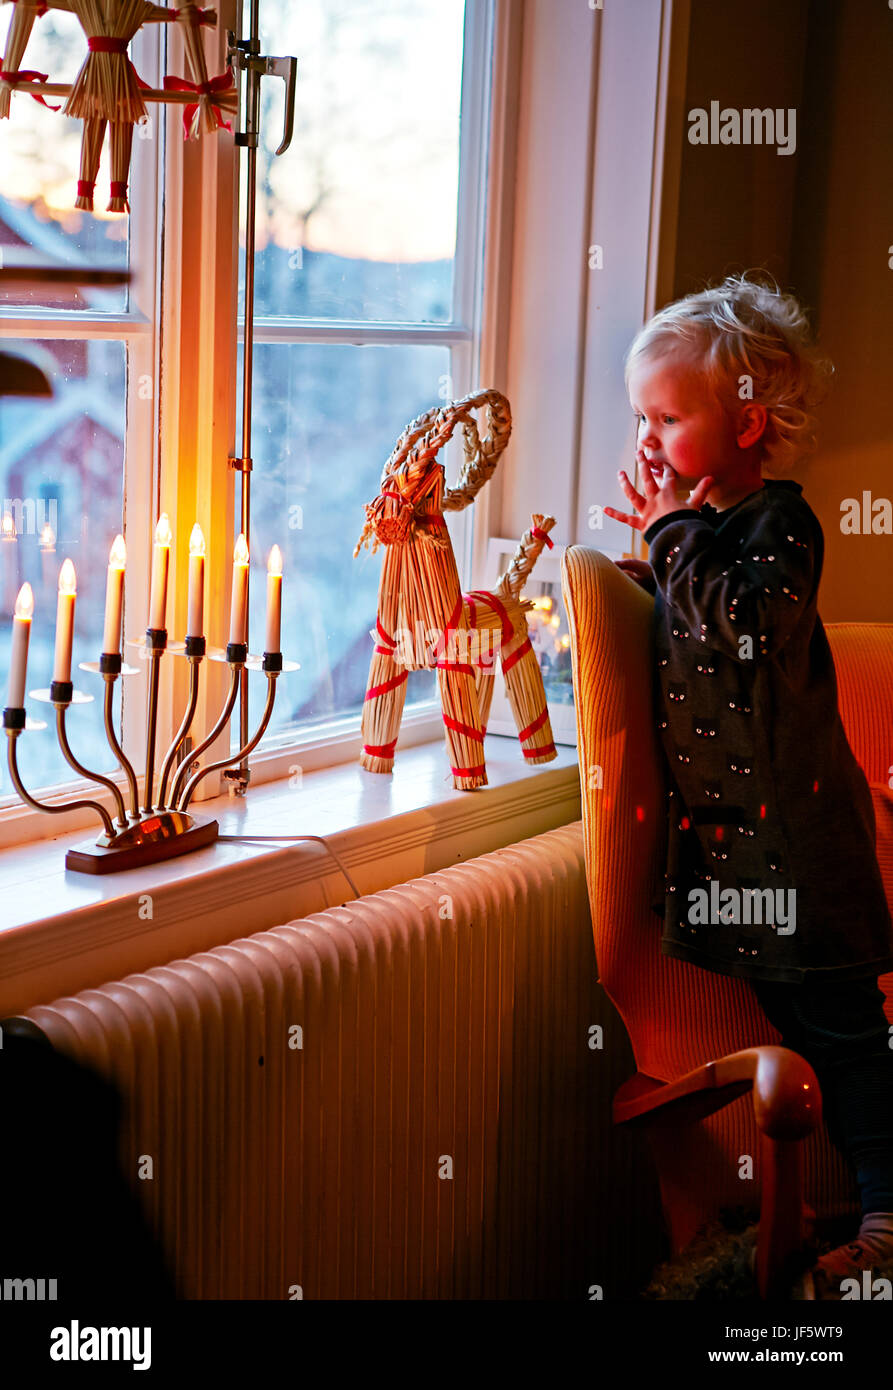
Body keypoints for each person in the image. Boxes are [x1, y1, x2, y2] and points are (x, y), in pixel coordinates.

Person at [603, 272, 893, 1294]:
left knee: (848, 1044)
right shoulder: (705, 537)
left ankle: (886, 1216)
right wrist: (657, 553)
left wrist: (666, 536)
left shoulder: (780, 529)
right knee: (808, 1029)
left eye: (664, 416)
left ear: (743, 423)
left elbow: (740, 626)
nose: (645, 435)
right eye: (641, 415)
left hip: (804, 860)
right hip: (744, 857)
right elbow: (694, 625)